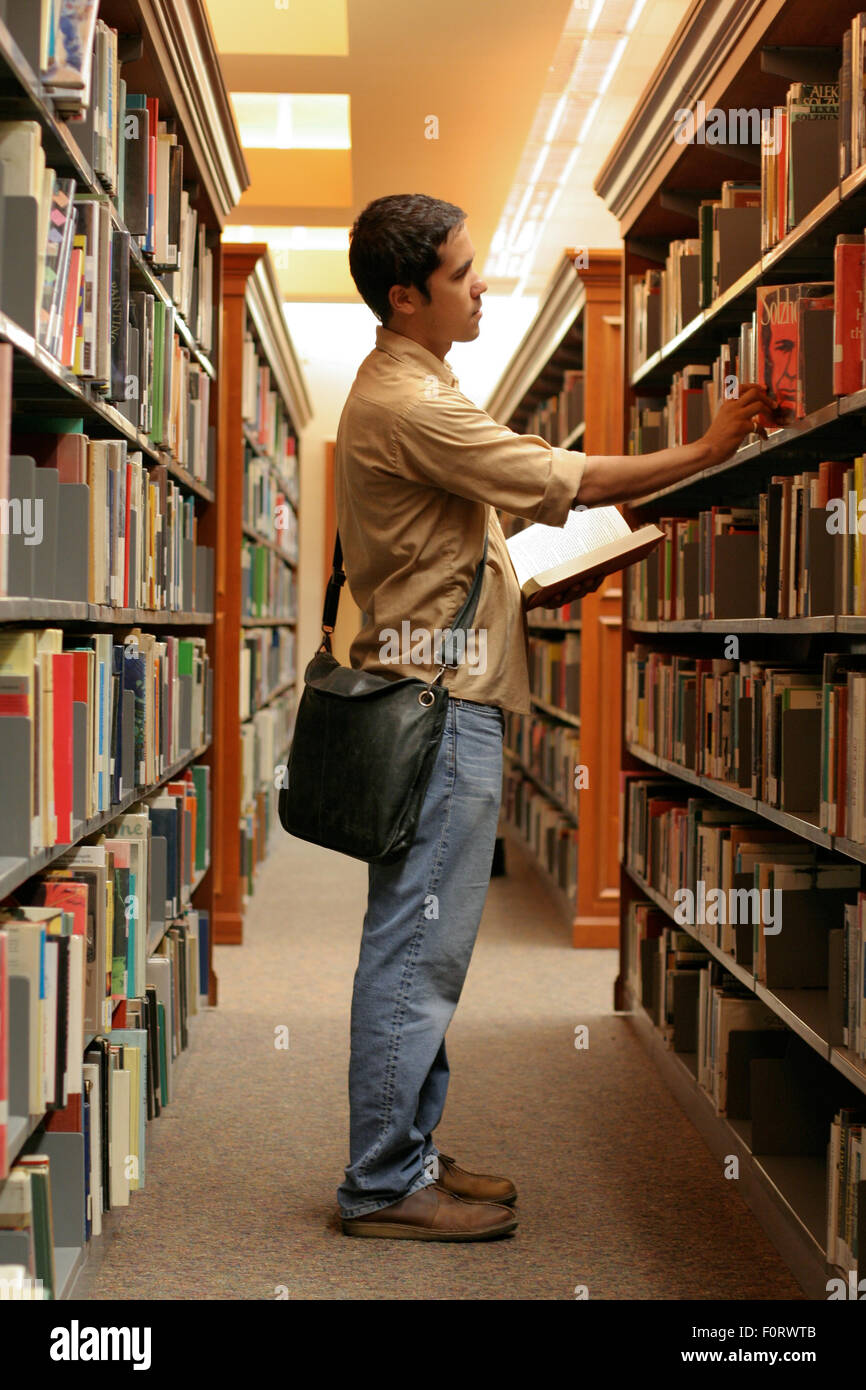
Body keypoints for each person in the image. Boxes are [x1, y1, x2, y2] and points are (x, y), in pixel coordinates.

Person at [333, 192, 777, 1242]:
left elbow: (443, 549)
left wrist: (521, 590)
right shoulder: (410, 399)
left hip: (441, 695)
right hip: (437, 714)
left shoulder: (421, 382)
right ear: (405, 297)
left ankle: (406, 1155)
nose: (481, 281)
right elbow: (557, 478)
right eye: (461, 269)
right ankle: (383, 1181)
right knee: (414, 953)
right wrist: (701, 449)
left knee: (421, 952)